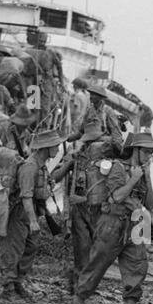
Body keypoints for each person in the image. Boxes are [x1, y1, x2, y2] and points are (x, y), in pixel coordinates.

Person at [72, 131, 153, 304]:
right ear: (135, 150)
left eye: (151, 153)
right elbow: (117, 197)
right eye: (146, 152)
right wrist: (134, 179)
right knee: (97, 264)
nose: (149, 156)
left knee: (137, 265)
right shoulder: (117, 168)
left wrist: (147, 176)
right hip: (112, 223)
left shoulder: (142, 172)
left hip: (134, 224)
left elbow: (149, 203)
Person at [0, 128, 63, 300]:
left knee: (30, 247)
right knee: (13, 249)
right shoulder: (30, 167)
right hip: (20, 212)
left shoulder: (42, 167)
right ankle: (7, 288)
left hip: (31, 211)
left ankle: (18, 281)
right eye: (55, 145)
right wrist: (33, 222)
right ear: (45, 147)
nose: (58, 148)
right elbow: (26, 196)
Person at [50, 119, 112, 293]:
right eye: (90, 141)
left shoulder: (107, 156)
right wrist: (70, 163)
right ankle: (78, 284)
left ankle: (87, 284)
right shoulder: (76, 156)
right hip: (80, 209)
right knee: (82, 247)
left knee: (96, 249)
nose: (93, 144)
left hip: (99, 209)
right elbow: (55, 177)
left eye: (96, 141)